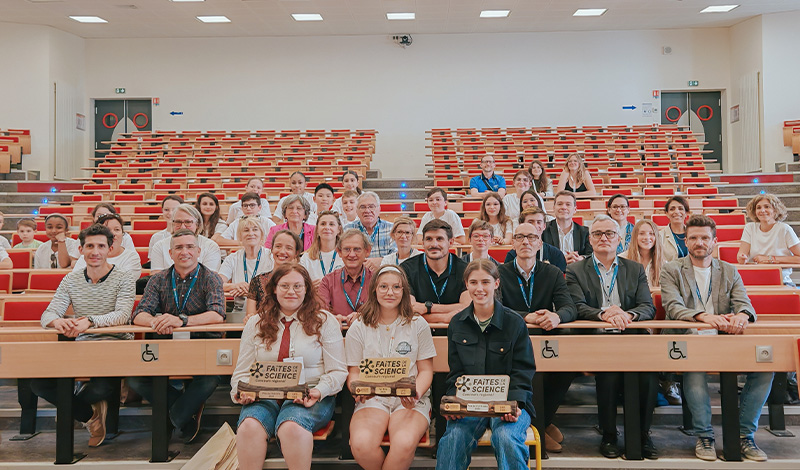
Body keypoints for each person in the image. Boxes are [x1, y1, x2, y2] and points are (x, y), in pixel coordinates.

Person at [661, 214, 772, 462]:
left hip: (725, 338)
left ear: (714, 241)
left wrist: (742, 315)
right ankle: (705, 435)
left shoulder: (729, 270)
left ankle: (744, 435)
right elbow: (672, 306)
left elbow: (744, 303)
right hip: (688, 339)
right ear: (686, 242)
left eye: (704, 238)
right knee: (694, 367)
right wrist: (704, 317)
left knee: (766, 368)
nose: (699, 242)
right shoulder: (672, 269)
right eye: (693, 238)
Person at [232, 264, 347, 470]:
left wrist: (318, 391)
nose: (291, 291)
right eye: (284, 286)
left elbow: (338, 371)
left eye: (297, 286)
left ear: (306, 289)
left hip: (310, 394)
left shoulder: (325, 321)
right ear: (274, 289)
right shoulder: (255, 323)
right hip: (264, 395)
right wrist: (241, 392)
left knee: (291, 426)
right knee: (249, 427)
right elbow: (241, 371)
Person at [32, 224, 136, 448]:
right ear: (81, 250)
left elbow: (122, 315)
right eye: (89, 246)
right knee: (38, 383)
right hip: (81, 346)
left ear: (110, 249)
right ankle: (89, 416)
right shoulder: (71, 279)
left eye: (101, 246)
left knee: (102, 388)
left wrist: (89, 321)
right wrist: (58, 321)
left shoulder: (124, 277)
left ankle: (72, 410)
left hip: (115, 346)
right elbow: (48, 314)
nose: (95, 252)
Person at [565, 215, 658, 459]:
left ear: (619, 239)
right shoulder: (575, 270)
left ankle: (642, 434)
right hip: (596, 339)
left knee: (648, 377)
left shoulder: (634, 269)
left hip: (631, 337)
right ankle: (609, 435)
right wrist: (604, 314)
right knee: (609, 375)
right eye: (597, 234)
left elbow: (647, 307)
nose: (603, 238)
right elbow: (576, 306)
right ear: (590, 239)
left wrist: (627, 315)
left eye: (609, 233)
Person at [435, 260, 535, 470]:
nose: (479, 288)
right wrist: (455, 402)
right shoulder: (457, 323)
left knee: (506, 437)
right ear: (466, 285)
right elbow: (456, 372)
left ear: (496, 283)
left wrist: (514, 404)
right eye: (473, 282)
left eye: (485, 282)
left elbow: (523, 370)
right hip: (470, 405)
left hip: (509, 404)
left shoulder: (515, 322)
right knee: (453, 439)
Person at [129, 229, 226, 444]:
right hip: (166, 345)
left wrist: (181, 321)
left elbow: (217, 314)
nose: (185, 252)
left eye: (190, 247)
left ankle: (171, 420)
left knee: (209, 380)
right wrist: (157, 322)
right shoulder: (157, 280)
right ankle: (186, 414)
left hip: (201, 344)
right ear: (170, 253)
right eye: (179, 248)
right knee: (135, 379)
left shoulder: (211, 278)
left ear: (198, 251)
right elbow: (139, 314)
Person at [346, 265, 435, 470]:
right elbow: (354, 371)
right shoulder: (359, 326)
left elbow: (426, 371)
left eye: (396, 287)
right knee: (361, 445)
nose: (390, 292)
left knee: (403, 443)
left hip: (409, 399)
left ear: (404, 291)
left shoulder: (418, 323)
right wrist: (357, 389)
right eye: (383, 286)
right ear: (374, 290)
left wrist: (415, 393)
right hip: (373, 398)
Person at [498, 222, 577, 452]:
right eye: (520, 237)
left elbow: (569, 307)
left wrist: (556, 316)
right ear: (513, 243)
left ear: (540, 243)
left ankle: (543, 421)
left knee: (567, 369)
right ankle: (540, 427)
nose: (526, 242)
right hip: (510, 340)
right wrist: (526, 317)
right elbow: (495, 308)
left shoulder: (552, 272)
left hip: (544, 339)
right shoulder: (500, 273)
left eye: (531, 237)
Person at [401, 219, 470, 323]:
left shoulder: (465, 269)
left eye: (439, 239)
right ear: (423, 243)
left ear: (450, 242)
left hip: (456, 329)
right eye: (429, 239)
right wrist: (445, 317)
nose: (434, 244)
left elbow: (467, 307)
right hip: (418, 330)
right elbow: (409, 310)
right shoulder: (406, 268)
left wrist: (427, 307)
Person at [737, 193, 800, 285]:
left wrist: (770, 259)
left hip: (781, 281)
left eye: (767, 207)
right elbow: (741, 256)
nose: (762, 210)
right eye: (758, 208)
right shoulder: (749, 228)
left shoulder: (784, 229)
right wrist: (742, 258)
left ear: (775, 210)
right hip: (754, 280)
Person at [245, 230, 303, 322]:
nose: (282, 251)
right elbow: (250, 316)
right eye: (278, 246)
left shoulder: (303, 281)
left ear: (296, 253)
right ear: (272, 249)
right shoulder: (256, 281)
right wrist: (249, 318)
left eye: (288, 248)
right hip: (265, 328)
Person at [318, 229, 374, 325]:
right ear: (339, 252)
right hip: (336, 331)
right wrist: (332, 319)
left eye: (357, 249)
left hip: (368, 330)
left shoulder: (377, 280)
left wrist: (363, 317)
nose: (351, 254)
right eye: (347, 249)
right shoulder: (328, 281)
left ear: (367, 251)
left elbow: (384, 312)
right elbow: (321, 313)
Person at [219, 216, 273, 314]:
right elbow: (217, 283)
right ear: (240, 236)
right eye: (246, 230)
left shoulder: (271, 256)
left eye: (255, 229)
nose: (251, 233)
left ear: (262, 235)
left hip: (266, 311)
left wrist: (253, 290)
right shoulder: (232, 258)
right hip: (239, 312)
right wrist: (235, 286)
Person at [150, 204, 221, 272]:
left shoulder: (211, 246)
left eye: (188, 222)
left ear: (197, 224)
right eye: (178, 222)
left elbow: (210, 278)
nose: (182, 227)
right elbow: (157, 277)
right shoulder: (159, 246)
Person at [73, 213, 141, 276]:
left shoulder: (131, 257)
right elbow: (75, 280)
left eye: (117, 229)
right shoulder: (88, 255)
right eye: (107, 230)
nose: (113, 234)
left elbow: (127, 281)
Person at [503, 208, 567, 272]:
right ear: (522, 225)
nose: (535, 226)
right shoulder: (512, 255)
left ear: (544, 226)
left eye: (539, 222)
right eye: (530, 222)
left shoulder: (556, 254)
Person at [345, 191, 396, 269]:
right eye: (362, 207)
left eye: (371, 206)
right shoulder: (348, 229)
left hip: (384, 272)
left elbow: (396, 256)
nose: (367, 211)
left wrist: (382, 261)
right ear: (357, 211)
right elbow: (344, 254)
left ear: (379, 209)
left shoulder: (392, 229)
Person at [541, 191, 592, 264]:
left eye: (568, 204)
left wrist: (581, 258)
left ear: (575, 209)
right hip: (552, 270)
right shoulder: (543, 230)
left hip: (576, 269)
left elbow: (591, 255)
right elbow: (539, 256)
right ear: (554, 208)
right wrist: (560, 260)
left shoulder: (585, 232)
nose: (564, 207)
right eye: (560, 204)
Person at [299, 210, 344, 284]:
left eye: (331, 224)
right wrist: (311, 288)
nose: (327, 227)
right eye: (323, 224)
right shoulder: (306, 258)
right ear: (317, 229)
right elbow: (300, 285)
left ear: (339, 229)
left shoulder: (345, 256)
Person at [621, 219, 664, 288]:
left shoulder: (664, 263)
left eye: (651, 233)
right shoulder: (622, 260)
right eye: (641, 233)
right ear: (635, 236)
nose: (647, 237)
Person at [148, 195, 184, 260]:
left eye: (174, 210)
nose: (170, 213)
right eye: (166, 210)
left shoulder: (191, 237)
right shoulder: (156, 237)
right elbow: (152, 261)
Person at [659, 195, 690, 262]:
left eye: (680, 209)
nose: (676, 212)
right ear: (667, 213)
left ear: (686, 213)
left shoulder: (694, 234)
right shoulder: (659, 236)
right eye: (672, 209)